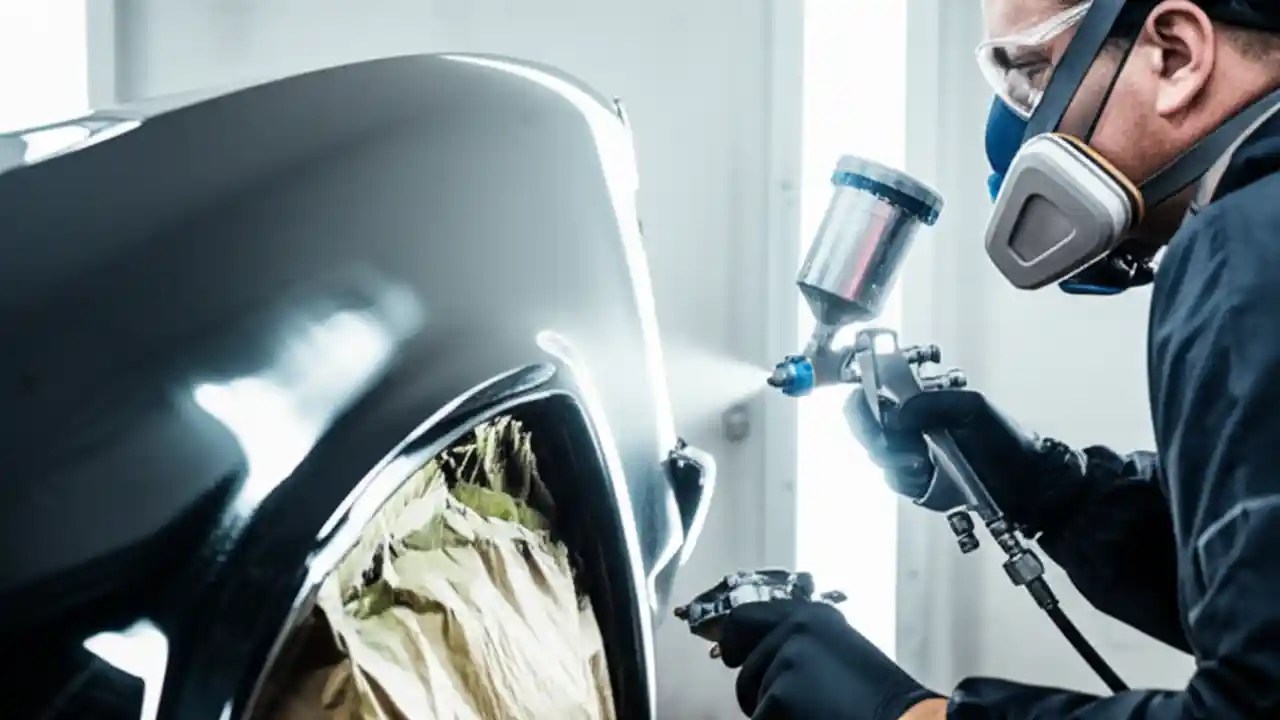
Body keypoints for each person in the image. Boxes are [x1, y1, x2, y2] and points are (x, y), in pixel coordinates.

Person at [715, 1, 1280, 718]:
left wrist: (907, 715)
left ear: (1174, 55)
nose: (1011, 131)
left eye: (1029, 73)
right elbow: (1256, 586)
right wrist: (1058, 492)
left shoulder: (1246, 250)